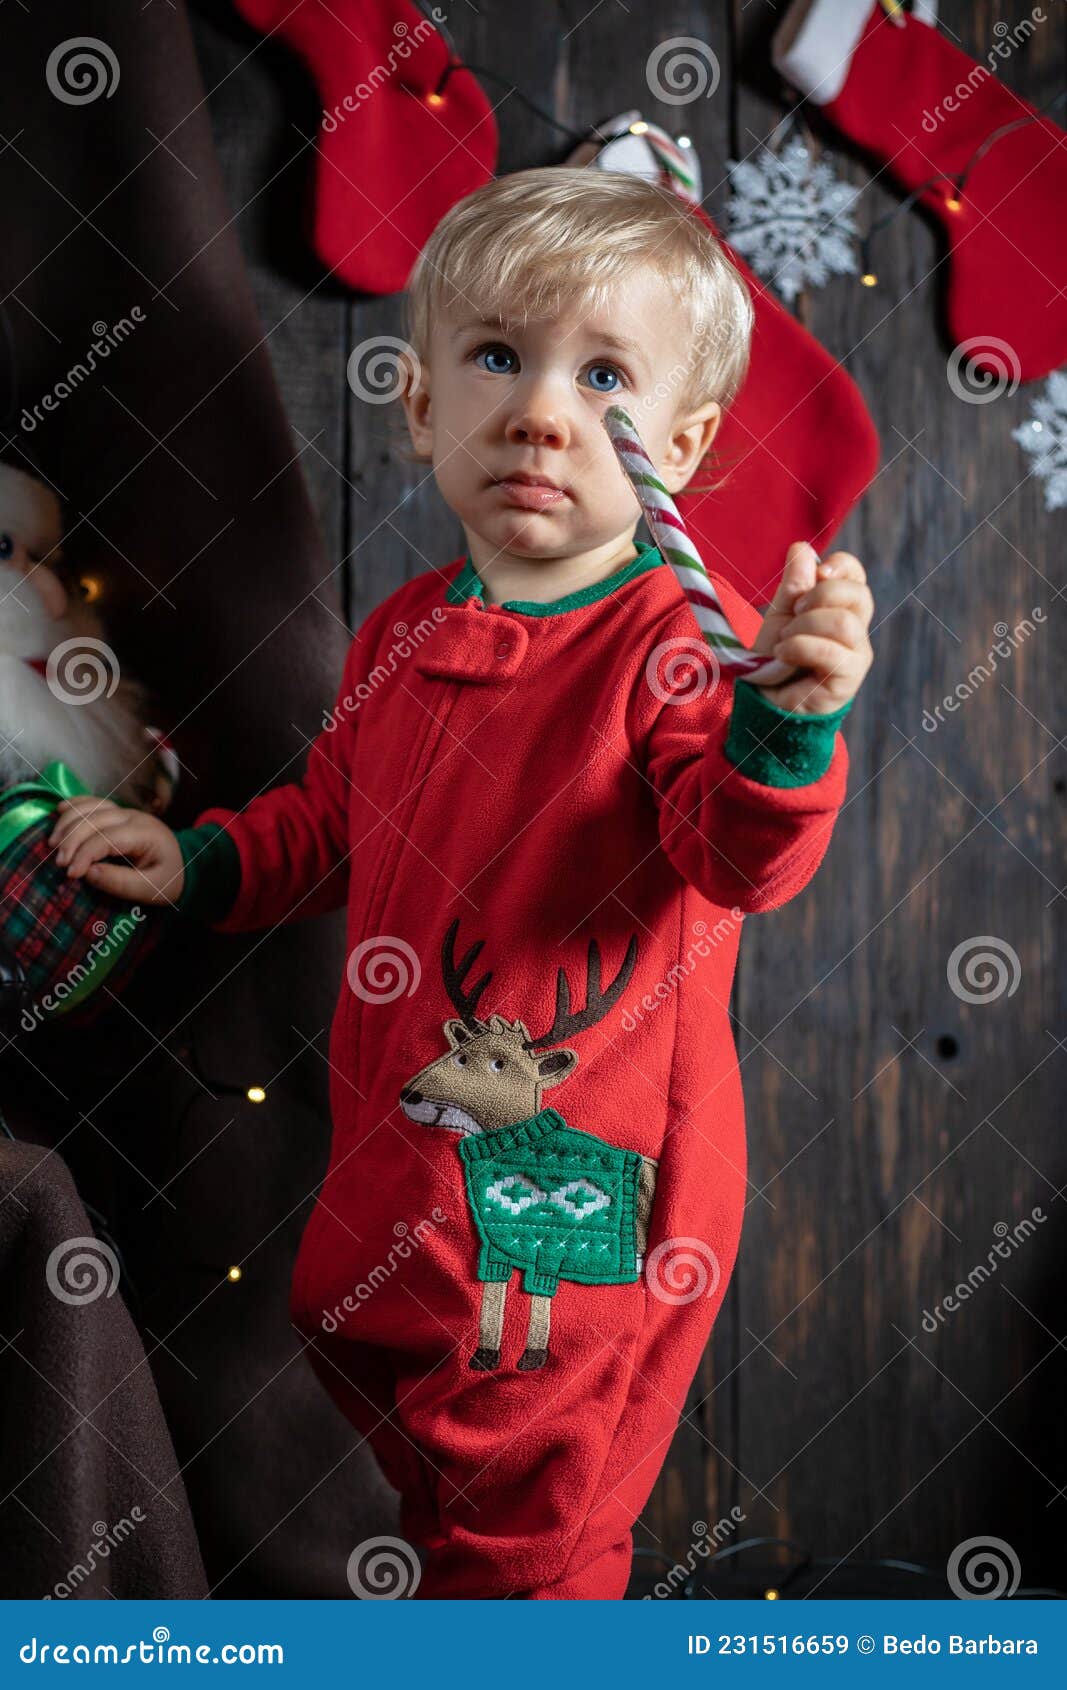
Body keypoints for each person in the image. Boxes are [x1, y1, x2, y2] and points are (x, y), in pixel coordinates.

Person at [47, 168, 874, 1600]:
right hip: (396, 1175)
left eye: (602, 376)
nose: (541, 409)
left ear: (680, 445)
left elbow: (741, 854)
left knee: (530, 1526)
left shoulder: (684, 647)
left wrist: (787, 727)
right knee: (423, 1462)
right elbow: (335, 819)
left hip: (574, 1188)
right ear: (424, 406)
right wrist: (201, 857)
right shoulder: (407, 630)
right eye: (497, 356)